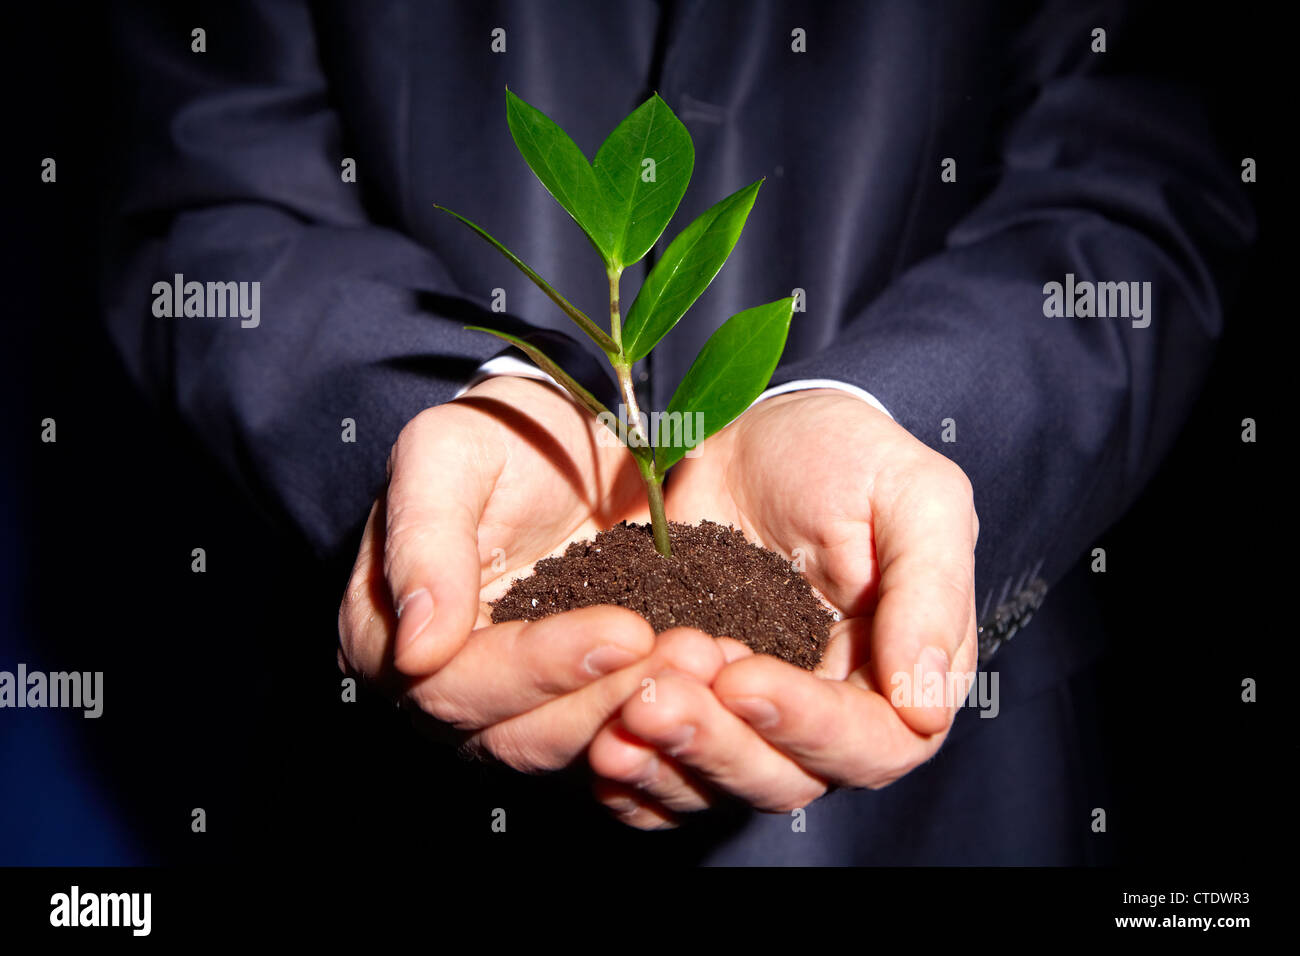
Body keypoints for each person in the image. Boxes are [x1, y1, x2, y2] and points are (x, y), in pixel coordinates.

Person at [102, 0, 1253, 863]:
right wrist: (452, 405)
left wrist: (887, 414)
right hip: (389, 808)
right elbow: (204, 185)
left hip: (953, 814)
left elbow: (1138, 181)